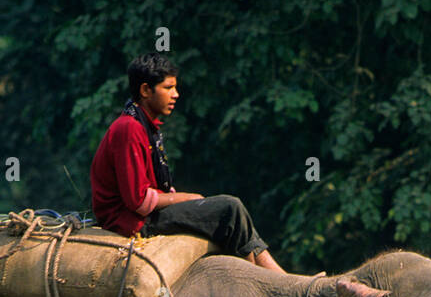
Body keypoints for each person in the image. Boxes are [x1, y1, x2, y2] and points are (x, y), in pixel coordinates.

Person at [89, 54, 286, 273]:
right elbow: (137, 201)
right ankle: (256, 282)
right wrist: (186, 198)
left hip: (144, 215)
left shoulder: (146, 126)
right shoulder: (129, 128)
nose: (176, 94)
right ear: (145, 91)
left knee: (233, 213)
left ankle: (281, 277)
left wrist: (182, 200)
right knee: (230, 208)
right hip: (131, 222)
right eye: (168, 87)